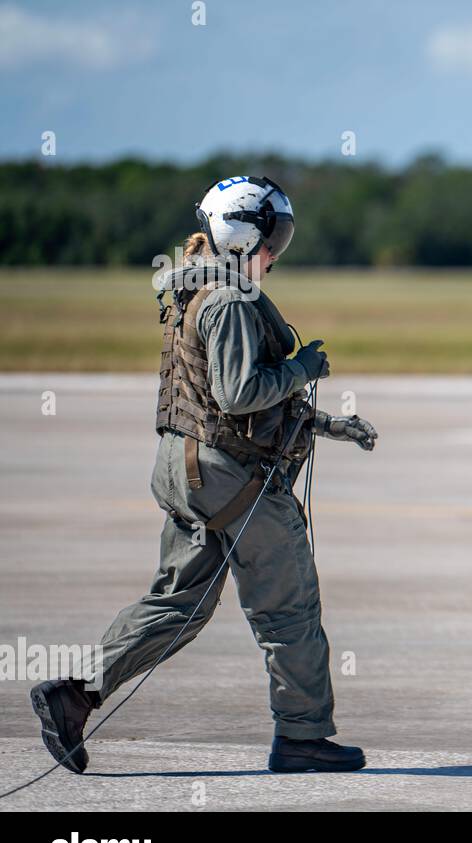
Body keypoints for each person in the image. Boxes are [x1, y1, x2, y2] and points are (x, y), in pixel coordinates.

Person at [30, 176, 379, 774]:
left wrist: (324, 423)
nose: (276, 253)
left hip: (188, 469)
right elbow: (242, 393)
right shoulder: (230, 302)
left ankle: (74, 694)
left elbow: (219, 402)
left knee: (176, 606)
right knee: (287, 611)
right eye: (274, 239)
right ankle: (302, 737)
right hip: (232, 479)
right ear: (244, 236)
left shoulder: (194, 291)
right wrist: (302, 366)